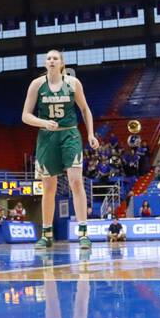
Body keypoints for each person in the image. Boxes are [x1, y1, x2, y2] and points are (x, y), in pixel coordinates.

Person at [22, 50, 99, 250]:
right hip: (46, 138)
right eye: (48, 58)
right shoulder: (37, 85)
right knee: (48, 187)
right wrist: (44, 122)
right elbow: (25, 116)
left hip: (70, 134)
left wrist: (91, 134)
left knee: (75, 181)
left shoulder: (74, 83)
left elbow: (85, 109)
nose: (52, 60)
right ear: (45, 64)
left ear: (62, 63)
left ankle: (83, 233)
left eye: (55, 58)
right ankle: (47, 234)